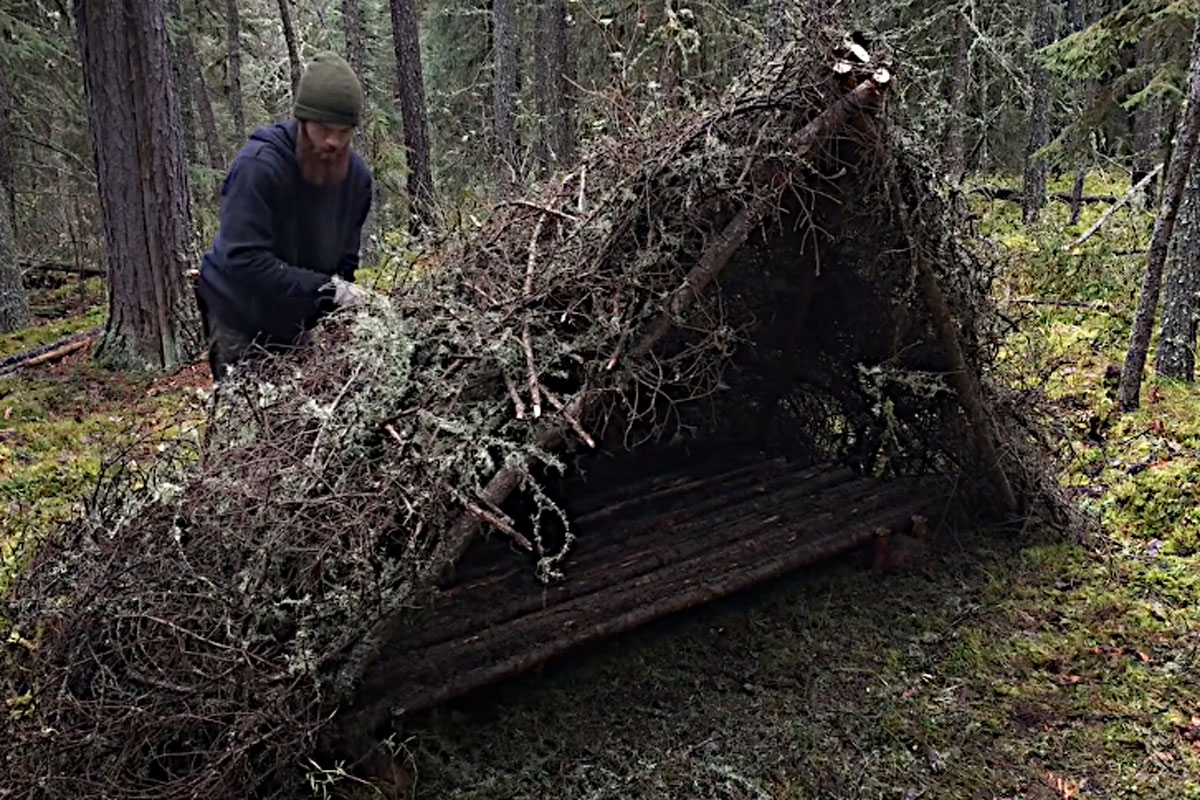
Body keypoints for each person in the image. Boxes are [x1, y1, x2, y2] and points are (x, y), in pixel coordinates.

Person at [195, 52, 374, 380]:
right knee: (247, 402)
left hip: (298, 311)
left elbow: (345, 263)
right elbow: (243, 261)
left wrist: (337, 299)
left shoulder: (357, 181)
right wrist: (326, 290)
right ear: (302, 122)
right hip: (238, 311)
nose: (333, 141)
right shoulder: (258, 168)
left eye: (343, 131)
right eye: (323, 128)